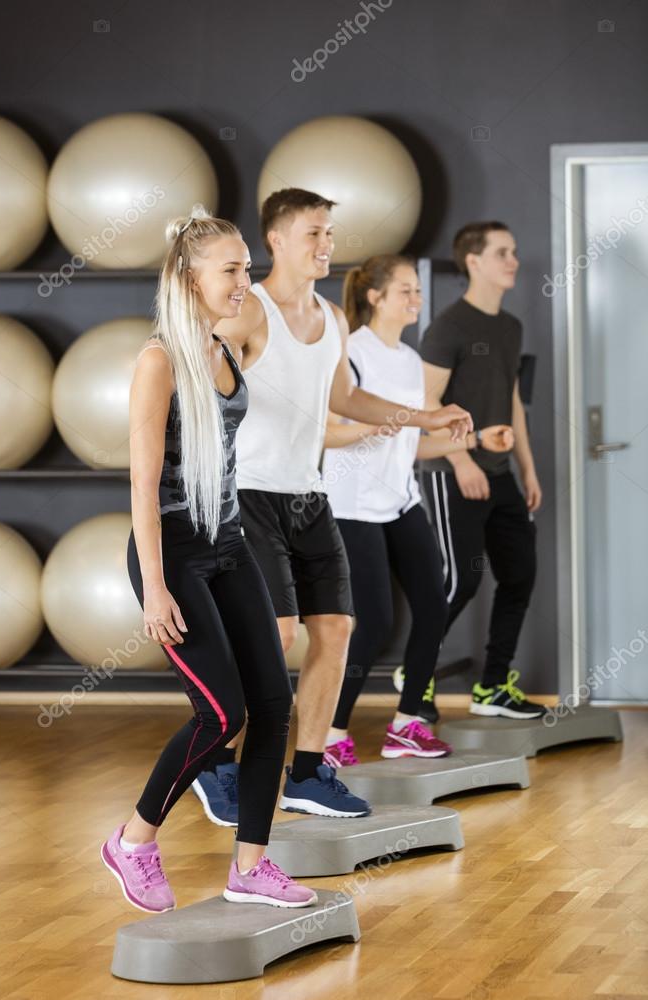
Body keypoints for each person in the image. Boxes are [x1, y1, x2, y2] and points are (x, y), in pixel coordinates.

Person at [193, 188, 473, 825]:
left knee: (337, 630)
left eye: (330, 234)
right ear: (278, 242)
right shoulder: (248, 312)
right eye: (314, 233)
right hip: (250, 494)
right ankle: (217, 761)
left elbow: (346, 396)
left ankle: (309, 770)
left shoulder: (330, 318)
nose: (326, 245)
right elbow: (193, 382)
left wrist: (425, 416)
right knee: (278, 632)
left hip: (308, 495)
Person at [100, 206, 317, 913]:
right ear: (189, 277)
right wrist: (156, 585)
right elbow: (140, 481)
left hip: (228, 546)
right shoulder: (157, 360)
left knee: (274, 705)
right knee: (221, 712)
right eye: (231, 269)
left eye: (246, 268)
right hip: (173, 554)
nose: (243, 280)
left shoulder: (221, 349)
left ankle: (250, 866)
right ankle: (132, 839)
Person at [322, 255, 514, 765]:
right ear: (376, 297)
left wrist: (473, 441)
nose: (416, 299)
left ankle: (408, 723)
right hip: (353, 505)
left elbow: (410, 446)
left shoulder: (408, 359)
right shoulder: (351, 354)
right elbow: (329, 436)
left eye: (417, 290)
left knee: (433, 604)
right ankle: (329, 733)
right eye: (405, 290)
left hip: (401, 497)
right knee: (375, 622)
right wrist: (370, 427)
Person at [408, 220, 544, 720]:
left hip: (500, 470)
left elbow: (513, 402)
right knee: (457, 582)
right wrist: (460, 459)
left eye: (513, 252)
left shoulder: (509, 327)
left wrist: (527, 469)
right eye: (503, 253)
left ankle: (492, 687)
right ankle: (415, 679)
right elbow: (427, 403)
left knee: (520, 575)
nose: (513, 261)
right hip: (450, 471)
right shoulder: (448, 326)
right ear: (474, 261)